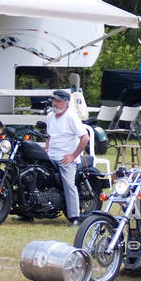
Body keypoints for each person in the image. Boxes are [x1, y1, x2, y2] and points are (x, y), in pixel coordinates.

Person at [46, 88, 90, 225]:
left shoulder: (71, 117)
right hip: (50, 156)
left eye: (58, 101)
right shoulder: (50, 116)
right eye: (54, 100)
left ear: (66, 103)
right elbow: (49, 135)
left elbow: (85, 138)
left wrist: (72, 156)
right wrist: (47, 148)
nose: (55, 103)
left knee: (69, 184)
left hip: (65, 158)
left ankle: (74, 216)